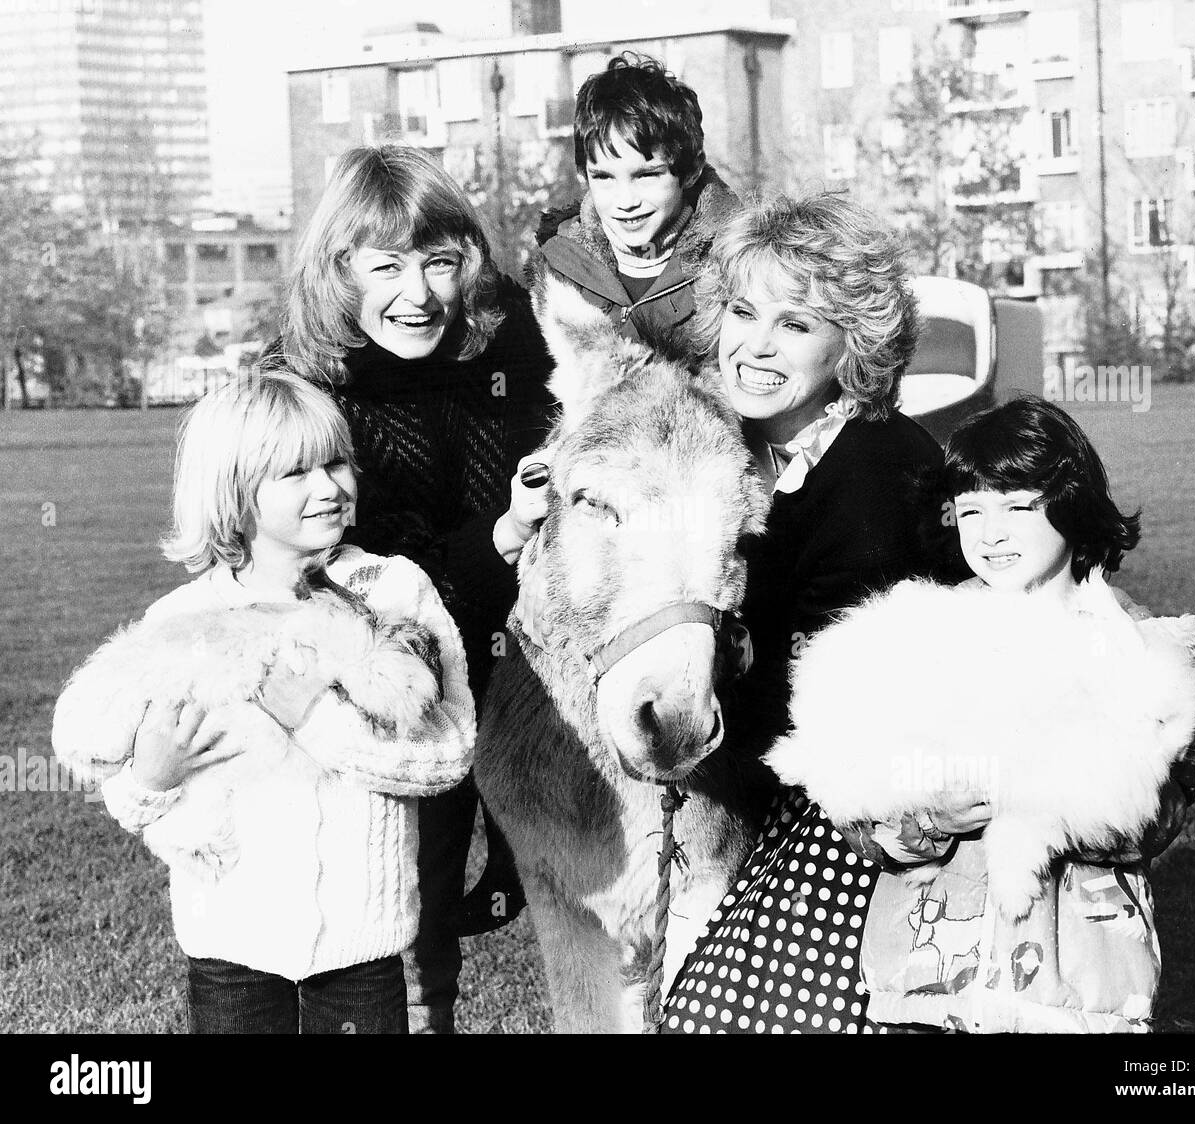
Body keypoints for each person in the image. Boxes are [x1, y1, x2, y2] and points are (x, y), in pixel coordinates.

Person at [52, 372, 476, 1033]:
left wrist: (316, 720)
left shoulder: (395, 591)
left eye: (337, 462)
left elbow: (449, 757)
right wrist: (151, 780)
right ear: (235, 496)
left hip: (360, 948)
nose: (329, 486)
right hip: (229, 947)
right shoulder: (184, 619)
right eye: (295, 473)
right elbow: (109, 775)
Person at [266, 145, 555, 1033]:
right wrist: (500, 535)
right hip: (383, 684)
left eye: (438, 261)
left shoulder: (510, 348)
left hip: (521, 672)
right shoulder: (303, 386)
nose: (418, 292)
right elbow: (352, 581)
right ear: (338, 270)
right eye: (384, 265)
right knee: (392, 920)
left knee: (568, 898)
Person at [657, 194, 948, 1034]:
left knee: (730, 1013)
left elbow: (819, 694)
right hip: (815, 797)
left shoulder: (870, 472)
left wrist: (694, 717)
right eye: (744, 313)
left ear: (853, 342)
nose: (755, 345)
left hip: (869, 818)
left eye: (795, 325)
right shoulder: (769, 454)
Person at [841, 396, 1195, 1033]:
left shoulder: (1127, 640)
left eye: (1017, 505)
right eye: (972, 509)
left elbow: (1159, 815)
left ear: (1070, 504)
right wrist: (927, 817)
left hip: (1074, 996)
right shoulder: (918, 633)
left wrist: (1049, 799)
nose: (991, 532)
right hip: (928, 990)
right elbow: (862, 812)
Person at [533, 52, 739, 344]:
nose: (626, 201)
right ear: (584, 175)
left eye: (646, 175)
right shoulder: (557, 271)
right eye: (604, 177)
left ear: (691, 171)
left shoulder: (737, 268)